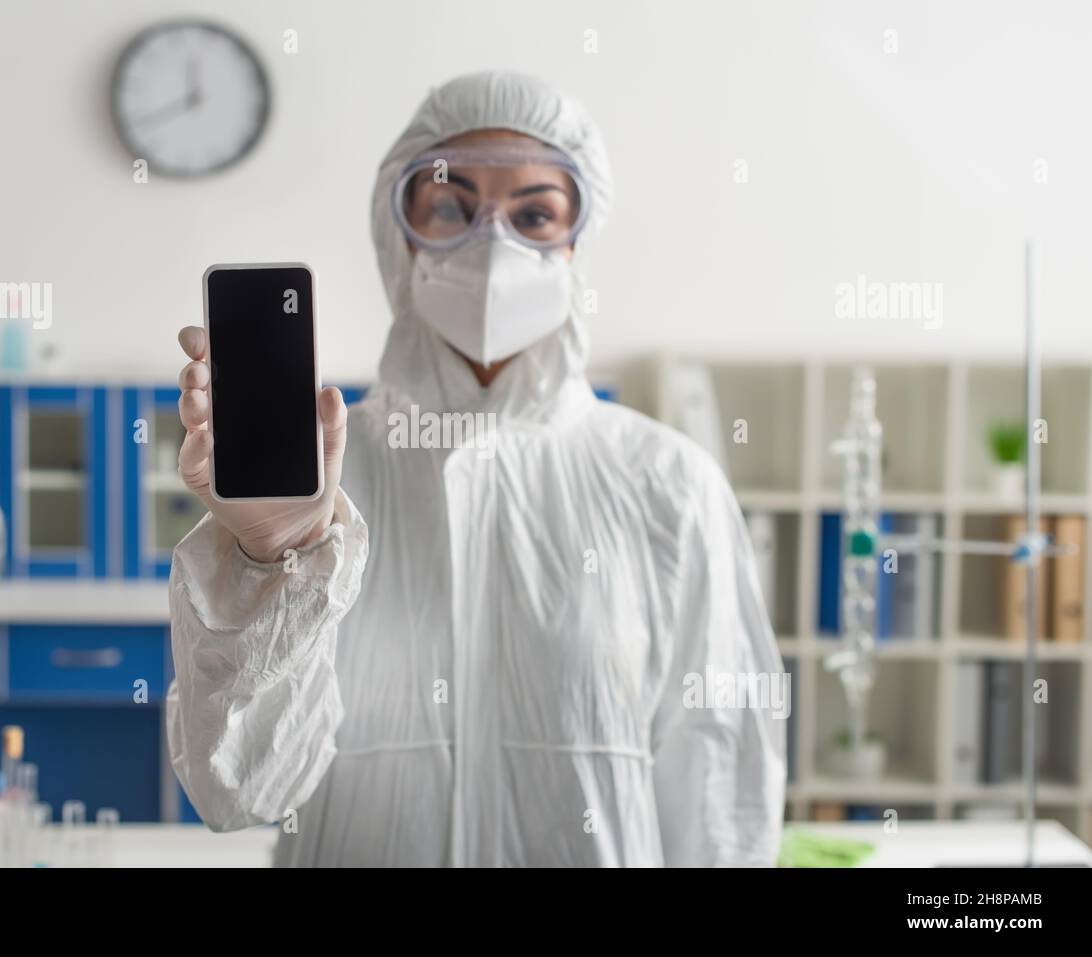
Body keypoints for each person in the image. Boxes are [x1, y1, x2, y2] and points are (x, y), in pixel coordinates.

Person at [165, 71, 786, 867]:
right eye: (451, 205)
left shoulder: (669, 484)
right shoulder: (319, 483)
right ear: (400, 231)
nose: (494, 243)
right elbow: (241, 792)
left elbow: (719, 792)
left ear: (575, 244)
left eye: (534, 214)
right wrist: (270, 563)